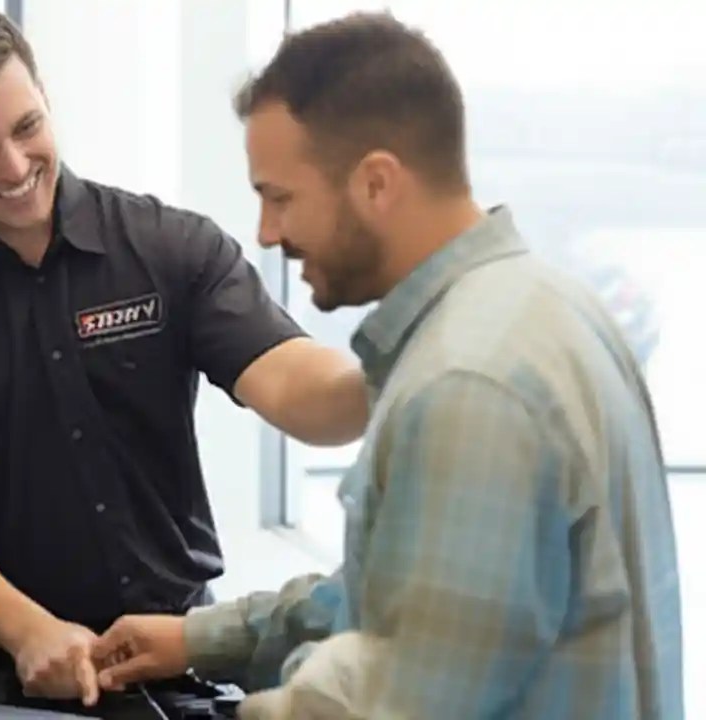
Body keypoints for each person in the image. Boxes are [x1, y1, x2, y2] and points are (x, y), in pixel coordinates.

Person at [91, 11, 684, 719]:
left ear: (376, 183)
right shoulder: (551, 306)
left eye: (279, 198)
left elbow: (398, 702)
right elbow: (399, 592)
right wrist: (198, 638)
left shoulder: (468, 385)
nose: (268, 234)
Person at [0, 5, 369, 708]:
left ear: (45, 100)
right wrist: (30, 632)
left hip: (179, 647)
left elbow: (297, 384)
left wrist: (395, 374)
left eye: (27, 128)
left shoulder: (170, 248)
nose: (16, 167)